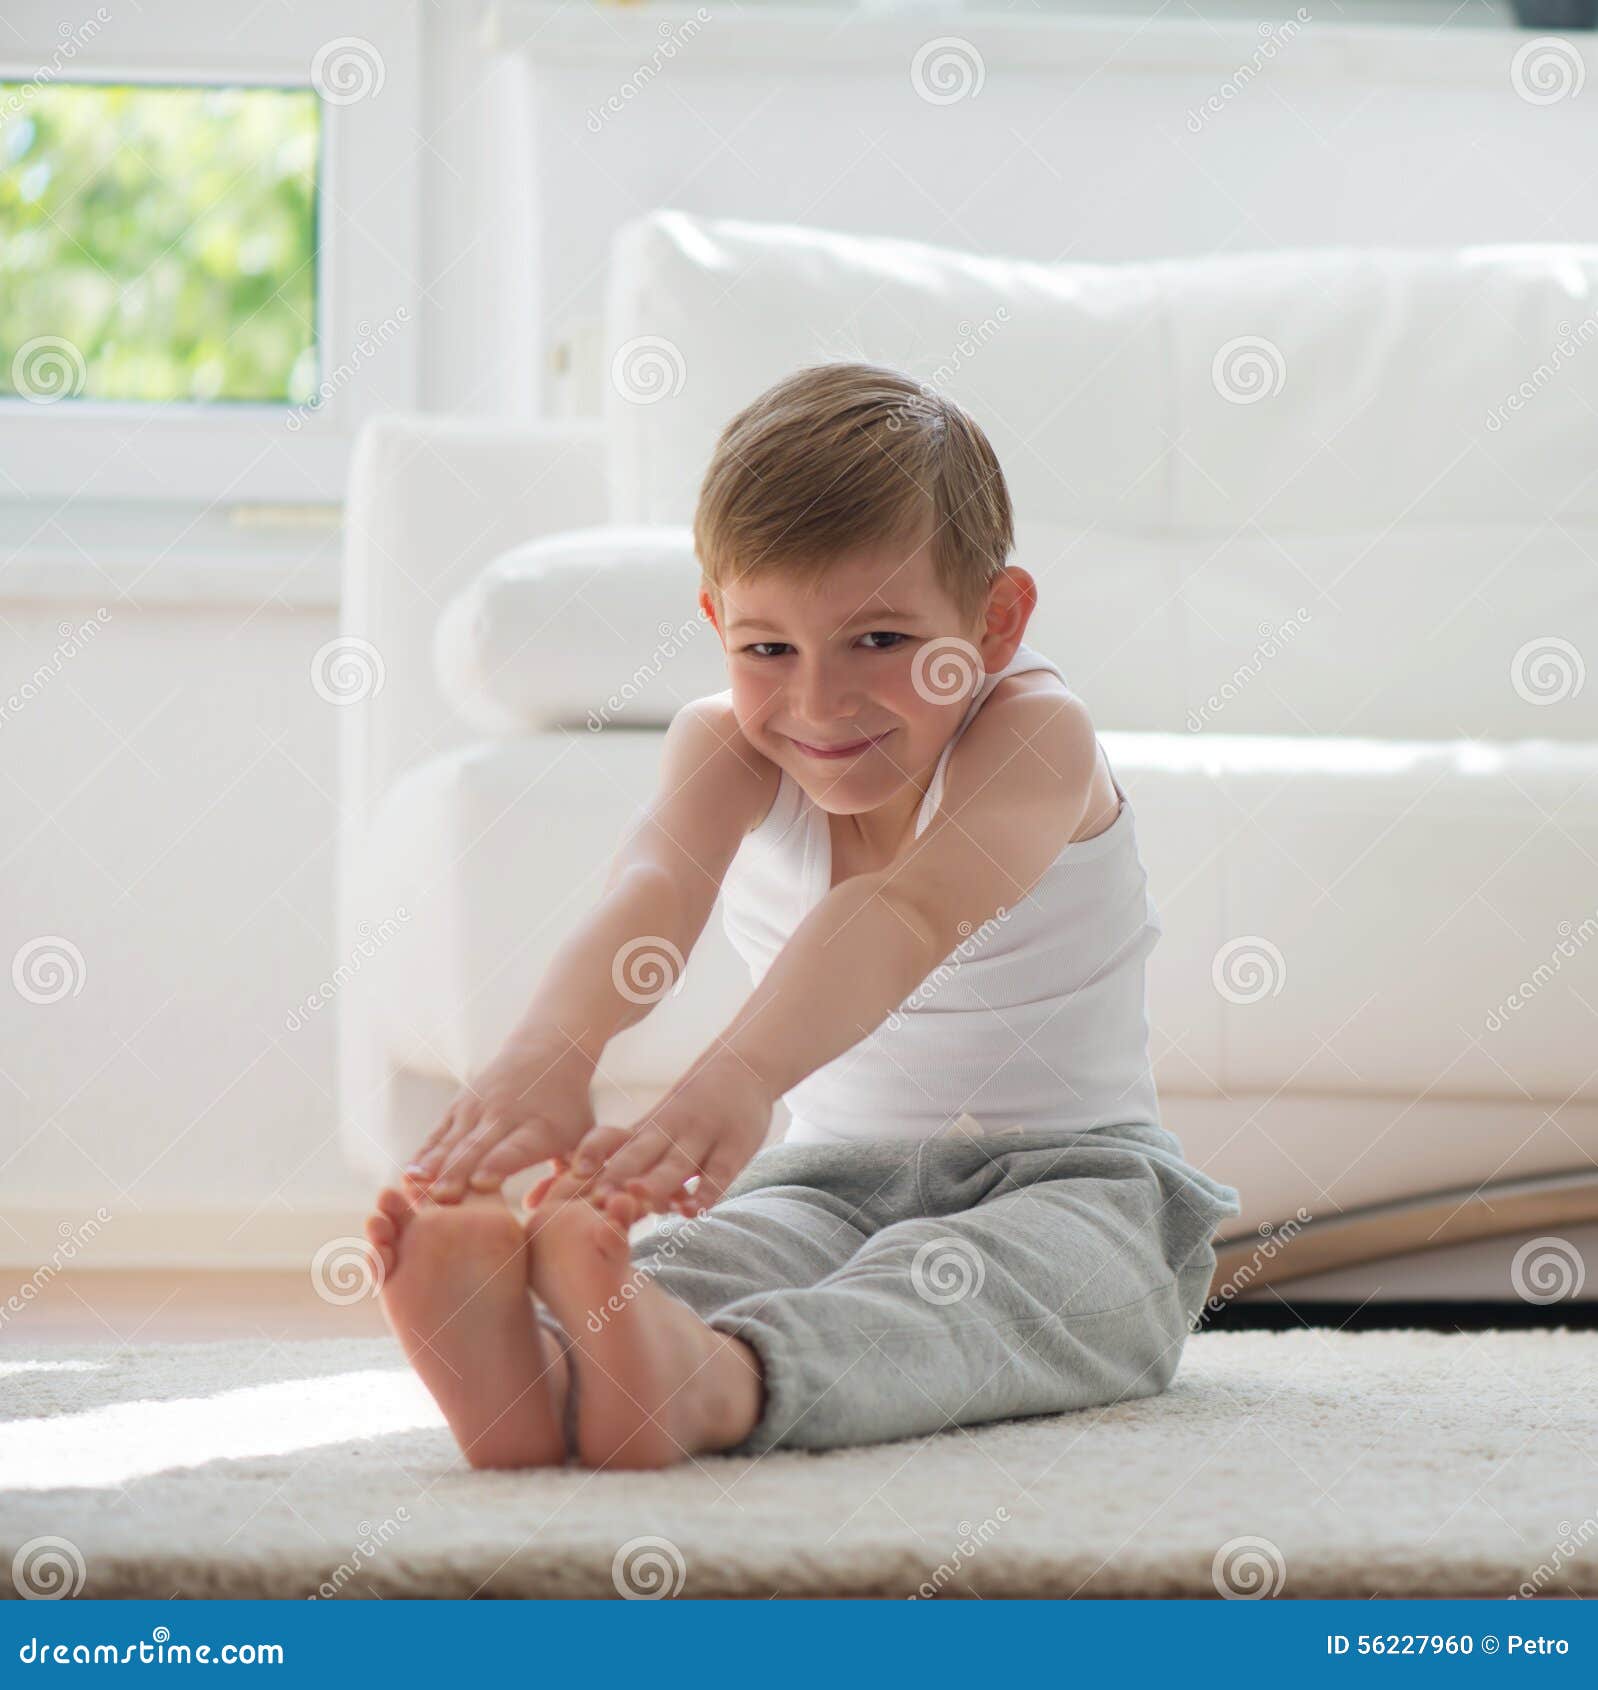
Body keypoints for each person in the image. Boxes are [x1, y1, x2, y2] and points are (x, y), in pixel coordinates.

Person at [363, 360, 1242, 1471]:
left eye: (878, 641)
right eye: (766, 649)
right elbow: (650, 897)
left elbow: (907, 913)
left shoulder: (1033, 737)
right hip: (824, 1185)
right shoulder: (720, 745)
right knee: (690, 1261)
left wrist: (737, 1075)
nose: (818, 704)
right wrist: (549, 1050)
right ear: (714, 621)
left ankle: (718, 1381)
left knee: (970, 1302)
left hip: (1072, 1183)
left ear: (996, 619)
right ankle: (543, 1365)